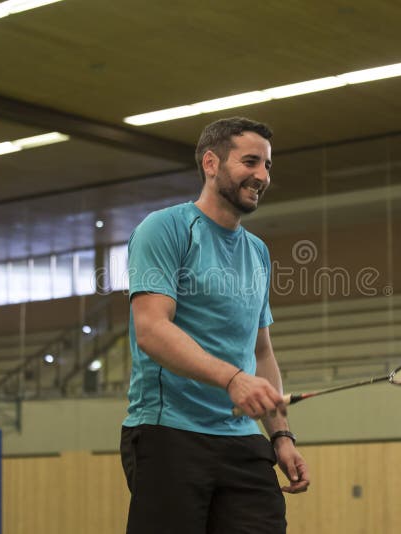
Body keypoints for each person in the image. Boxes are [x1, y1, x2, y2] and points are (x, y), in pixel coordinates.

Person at [120, 117, 310, 534]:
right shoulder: (165, 229)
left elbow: (260, 351)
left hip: (241, 441)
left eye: (268, 165)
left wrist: (281, 436)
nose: (262, 176)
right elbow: (151, 330)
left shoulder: (257, 252)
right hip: (169, 434)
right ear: (211, 162)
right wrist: (232, 379)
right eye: (250, 162)